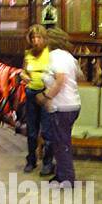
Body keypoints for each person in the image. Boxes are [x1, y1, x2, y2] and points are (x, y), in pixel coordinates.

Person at [36, 42, 81, 184]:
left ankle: (67, 178)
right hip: (71, 105)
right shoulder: (68, 57)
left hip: (62, 108)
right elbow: (79, 76)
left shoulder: (56, 56)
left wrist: (46, 97)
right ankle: (61, 174)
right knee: (59, 142)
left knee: (62, 144)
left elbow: (61, 79)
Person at [18, 24, 54, 173]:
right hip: (31, 93)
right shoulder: (28, 54)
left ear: (44, 38)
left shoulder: (50, 54)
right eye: (33, 38)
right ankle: (31, 160)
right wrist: (23, 76)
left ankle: (47, 162)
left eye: (38, 37)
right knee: (32, 131)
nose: (35, 41)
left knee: (46, 130)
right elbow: (23, 71)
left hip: (45, 94)